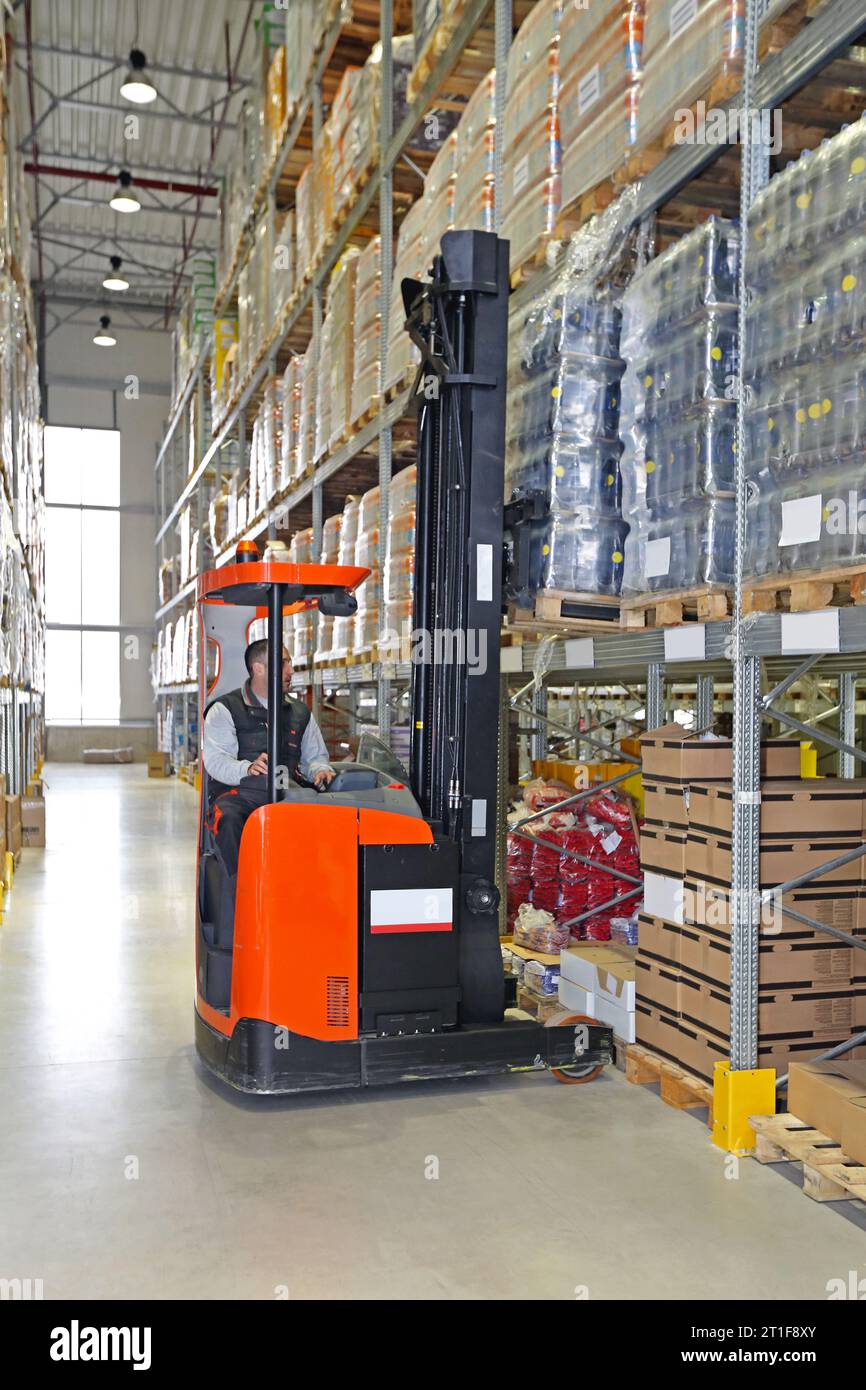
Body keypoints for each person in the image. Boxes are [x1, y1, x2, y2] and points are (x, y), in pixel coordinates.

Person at [203, 639, 335, 882]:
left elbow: (314, 756)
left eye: (290, 662)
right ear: (258, 668)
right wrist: (247, 768)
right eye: (283, 663)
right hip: (238, 794)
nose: (291, 670)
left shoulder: (299, 712)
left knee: (330, 822)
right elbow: (216, 760)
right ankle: (240, 891)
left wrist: (320, 770)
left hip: (288, 792)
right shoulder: (225, 709)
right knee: (230, 821)